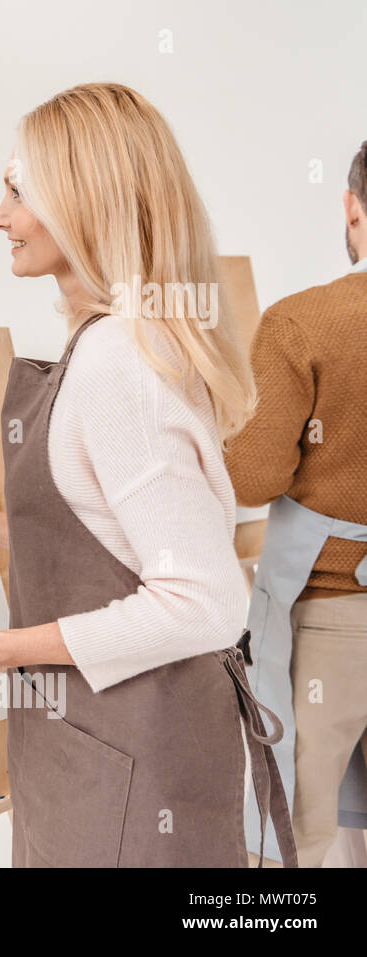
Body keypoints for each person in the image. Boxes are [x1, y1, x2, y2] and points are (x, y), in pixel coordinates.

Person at [0, 83, 296, 866]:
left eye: (17, 190)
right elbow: (116, 542)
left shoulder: (119, 363)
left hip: (135, 763)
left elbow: (204, 601)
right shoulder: (108, 345)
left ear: (82, 203)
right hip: (91, 746)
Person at [224, 140, 367, 867]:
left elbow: (253, 476)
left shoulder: (301, 323)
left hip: (331, 620)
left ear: (352, 207)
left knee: (296, 839)